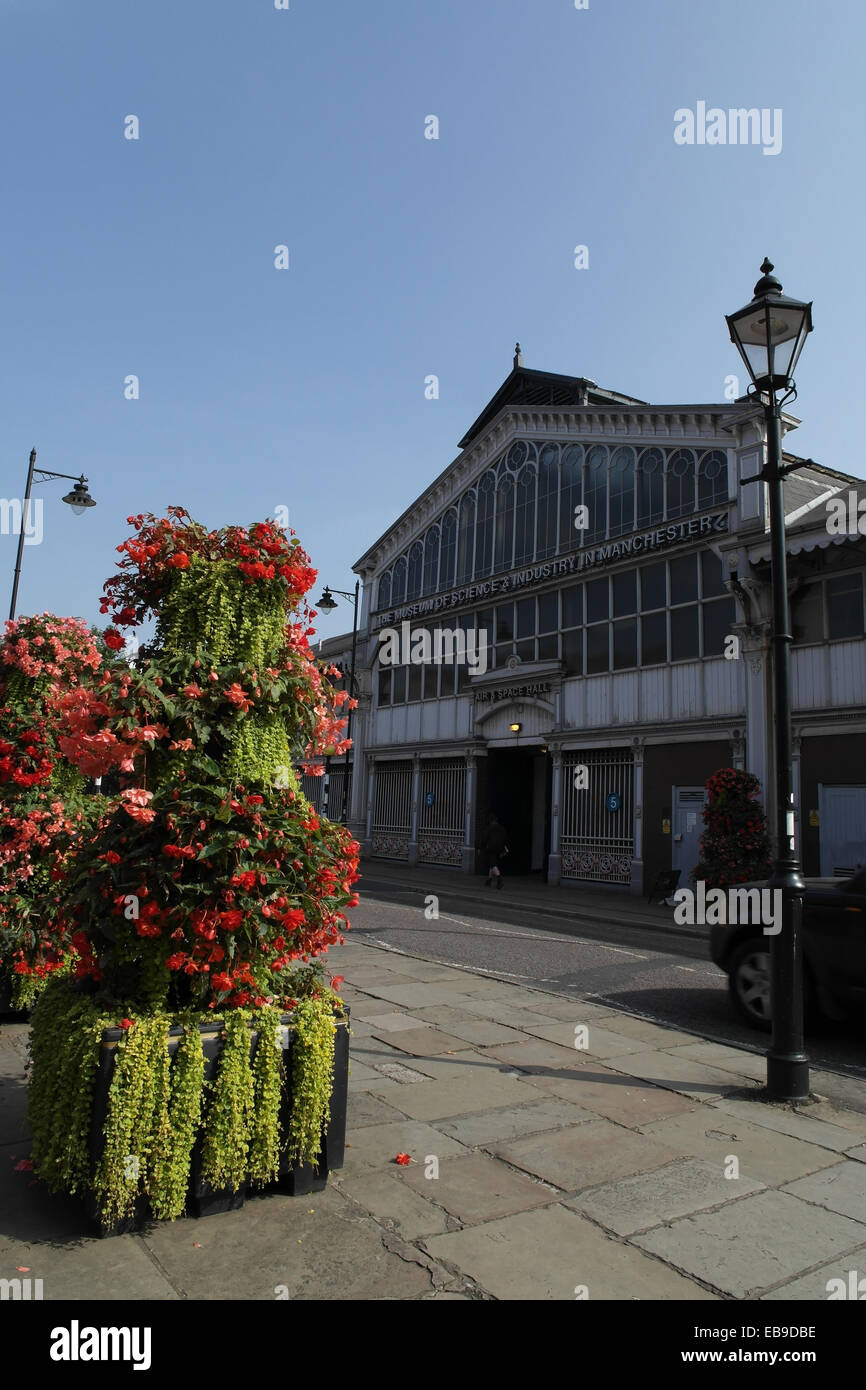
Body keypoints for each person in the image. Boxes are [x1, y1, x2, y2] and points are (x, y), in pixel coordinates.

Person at [481, 813, 509, 889]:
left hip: (490, 848)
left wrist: (480, 847)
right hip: (499, 848)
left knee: (493, 864)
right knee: (492, 863)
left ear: (490, 821)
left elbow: (484, 839)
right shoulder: (502, 828)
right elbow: (505, 838)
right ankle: (489, 880)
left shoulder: (489, 828)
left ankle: (499, 879)